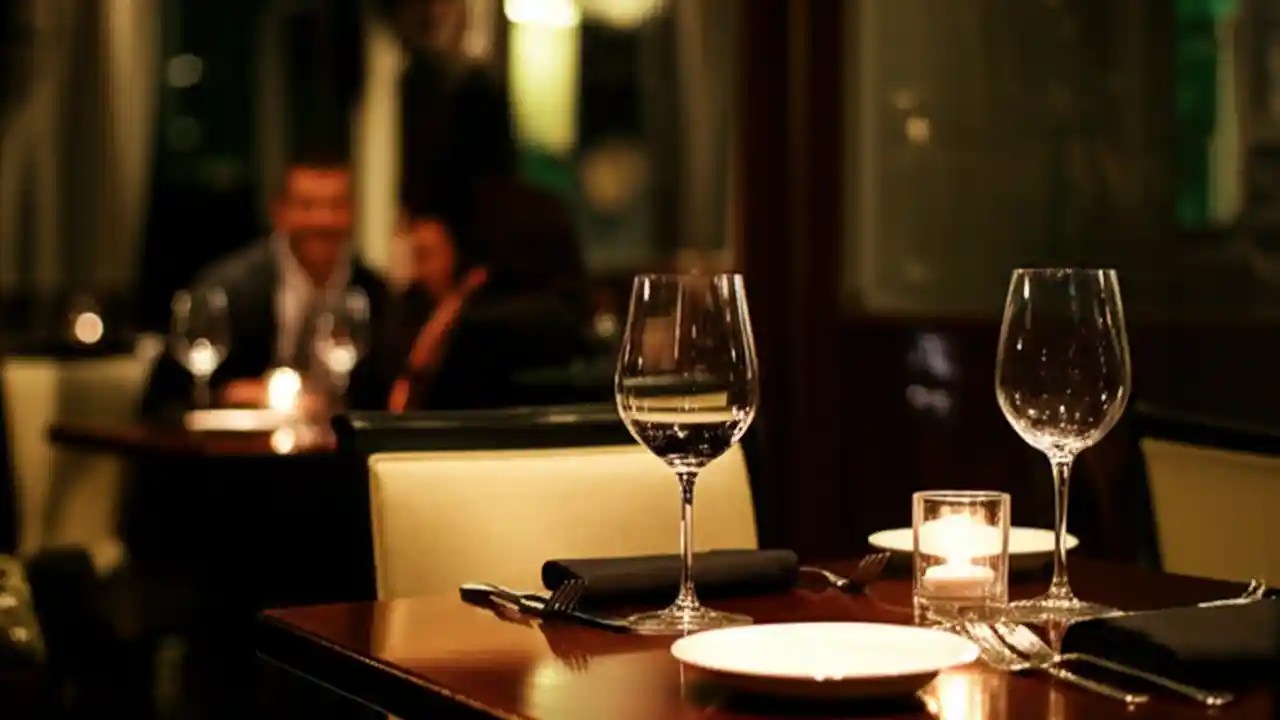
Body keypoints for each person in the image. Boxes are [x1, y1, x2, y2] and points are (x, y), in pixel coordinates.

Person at [142, 159, 389, 415]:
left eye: (336, 206)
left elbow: (386, 398)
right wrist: (229, 395)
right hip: (240, 450)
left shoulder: (376, 294)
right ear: (279, 212)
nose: (322, 220)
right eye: (307, 206)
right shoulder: (228, 290)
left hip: (337, 451)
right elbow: (165, 398)